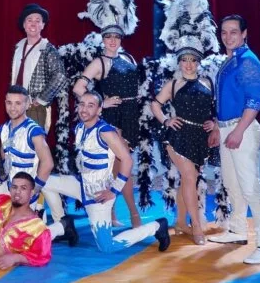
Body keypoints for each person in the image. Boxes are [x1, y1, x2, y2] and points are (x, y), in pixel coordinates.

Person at [43, 92, 170, 253]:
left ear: (99, 110)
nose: (84, 109)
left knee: (107, 247)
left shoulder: (105, 131)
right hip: (81, 185)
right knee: (43, 182)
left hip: (99, 194)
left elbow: (127, 160)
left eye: (90, 106)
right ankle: (63, 224)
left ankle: (157, 226)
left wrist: (114, 190)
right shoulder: (80, 127)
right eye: (82, 104)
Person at [0, 85, 78, 246]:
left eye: (18, 103)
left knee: (19, 242)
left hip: (26, 194)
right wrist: (6, 176)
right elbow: (5, 155)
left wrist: (35, 189)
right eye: (9, 103)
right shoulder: (4, 129)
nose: (13, 107)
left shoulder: (34, 132)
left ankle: (62, 226)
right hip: (9, 187)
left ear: (27, 104)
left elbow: (48, 163)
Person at [73, 0, 143, 228]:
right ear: (102, 39)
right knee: (121, 167)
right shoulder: (99, 62)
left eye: (117, 37)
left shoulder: (129, 58)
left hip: (131, 116)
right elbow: (78, 88)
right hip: (114, 118)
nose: (113, 41)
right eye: (108, 37)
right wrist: (101, 103)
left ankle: (112, 214)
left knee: (120, 167)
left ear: (121, 38)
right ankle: (131, 215)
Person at [206, 15, 260, 265]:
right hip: (228, 128)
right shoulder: (231, 60)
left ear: (244, 33)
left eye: (234, 32)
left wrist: (238, 131)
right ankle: (238, 229)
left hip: (241, 129)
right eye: (224, 32)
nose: (228, 36)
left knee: (250, 188)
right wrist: (219, 127)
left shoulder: (247, 61)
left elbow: (254, 100)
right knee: (232, 183)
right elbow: (227, 99)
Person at [150, 49, 217, 245]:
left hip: (200, 138)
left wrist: (214, 123)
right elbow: (155, 105)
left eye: (193, 60)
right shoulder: (173, 84)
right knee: (189, 177)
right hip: (178, 137)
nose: (188, 64)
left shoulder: (208, 82)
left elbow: (214, 108)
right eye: (184, 60)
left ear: (198, 62)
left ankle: (180, 222)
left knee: (190, 179)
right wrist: (166, 120)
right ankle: (196, 226)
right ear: (179, 63)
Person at [10, 4, 66, 130]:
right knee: (16, 139)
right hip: (17, 104)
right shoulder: (18, 47)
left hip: (34, 107)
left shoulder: (48, 49)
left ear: (43, 25)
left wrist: (40, 99)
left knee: (34, 140)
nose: (33, 24)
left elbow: (60, 76)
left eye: (37, 21)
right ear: (24, 24)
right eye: (30, 20)